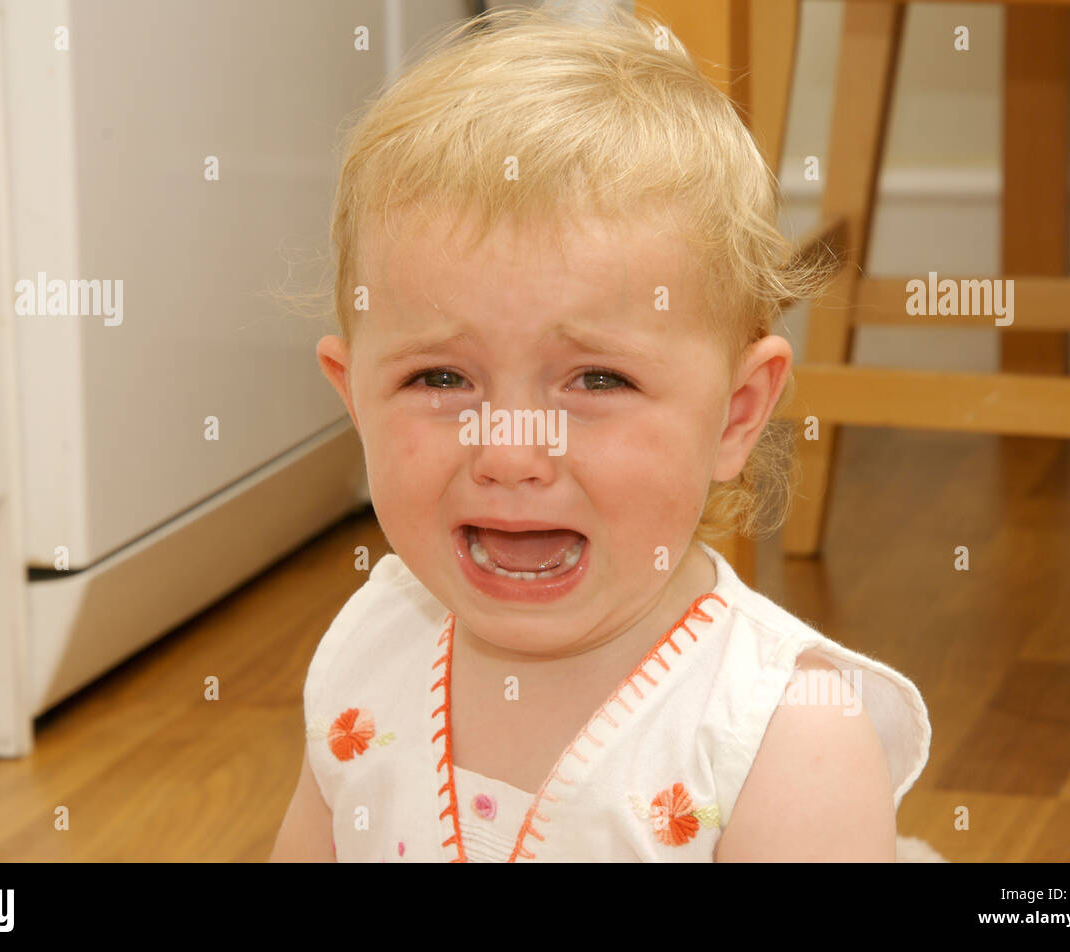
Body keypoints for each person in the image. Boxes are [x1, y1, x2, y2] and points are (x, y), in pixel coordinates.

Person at [271, 2, 929, 862]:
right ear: (354, 398)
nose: (509, 452)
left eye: (598, 380)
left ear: (735, 414)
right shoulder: (374, 646)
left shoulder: (781, 734)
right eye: (440, 379)